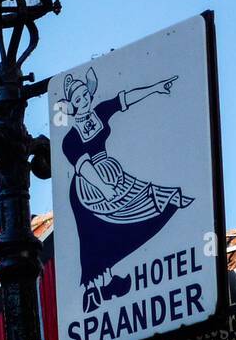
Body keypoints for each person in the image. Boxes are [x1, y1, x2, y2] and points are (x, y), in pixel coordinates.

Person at [59, 67, 192, 313]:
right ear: (72, 106)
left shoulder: (99, 113)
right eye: (77, 100)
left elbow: (125, 99)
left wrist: (154, 88)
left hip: (112, 175)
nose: (84, 101)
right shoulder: (70, 138)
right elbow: (83, 165)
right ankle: (92, 291)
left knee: (124, 216)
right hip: (87, 189)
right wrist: (104, 189)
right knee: (93, 236)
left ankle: (108, 284)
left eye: (85, 95)